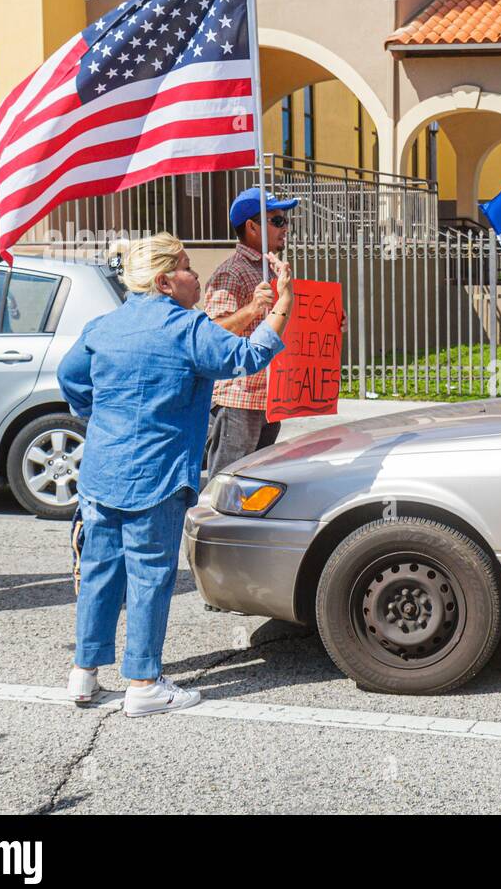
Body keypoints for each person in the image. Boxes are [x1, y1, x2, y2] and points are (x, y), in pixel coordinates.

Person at [58, 232, 292, 717]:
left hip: (102, 468)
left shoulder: (105, 325)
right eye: (187, 267)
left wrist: (98, 414)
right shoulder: (186, 329)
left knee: (101, 570)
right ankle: (143, 682)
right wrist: (280, 309)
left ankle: (84, 674)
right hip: (157, 473)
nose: (197, 275)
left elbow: (70, 378)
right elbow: (247, 359)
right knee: (148, 574)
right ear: (165, 281)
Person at [204, 188, 344, 477]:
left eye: (285, 220)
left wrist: (328, 322)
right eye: (277, 221)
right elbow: (213, 334)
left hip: (270, 397)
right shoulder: (231, 273)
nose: (286, 228)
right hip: (238, 399)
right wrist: (252, 309)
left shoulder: (270, 269)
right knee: (228, 481)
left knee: (258, 481)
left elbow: (282, 323)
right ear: (252, 227)